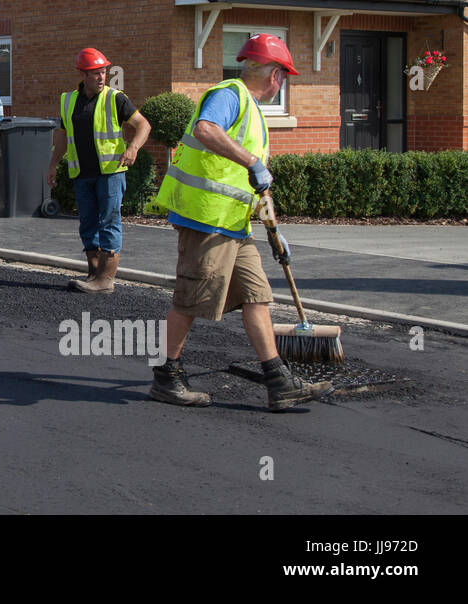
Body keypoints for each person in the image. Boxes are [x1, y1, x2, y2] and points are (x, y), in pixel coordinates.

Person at [151, 33, 332, 412]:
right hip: (205, 221)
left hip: (234, 225)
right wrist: (252, 162)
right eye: (283, 75)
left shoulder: (249, 107)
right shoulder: (229, 95)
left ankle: (278, 380)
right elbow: (206, 130)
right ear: (272, 74)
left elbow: (247, 179)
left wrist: (272, 220)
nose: (281, 83)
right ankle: (167, 376)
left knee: (257, 295)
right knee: (191, 299)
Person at [47, 48, 150, 294]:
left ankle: (106, 279)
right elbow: (62, 136)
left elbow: (143, 125)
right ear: (83, 74)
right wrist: (53, 164)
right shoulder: (68, 101)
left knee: (109, 222)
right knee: (88, 224)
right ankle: (94, 273)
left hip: (111, 173)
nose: (101, 77)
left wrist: (133, 147)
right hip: (82, 173)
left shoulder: (116, 98)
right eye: (95, 73)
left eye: (103, 72)